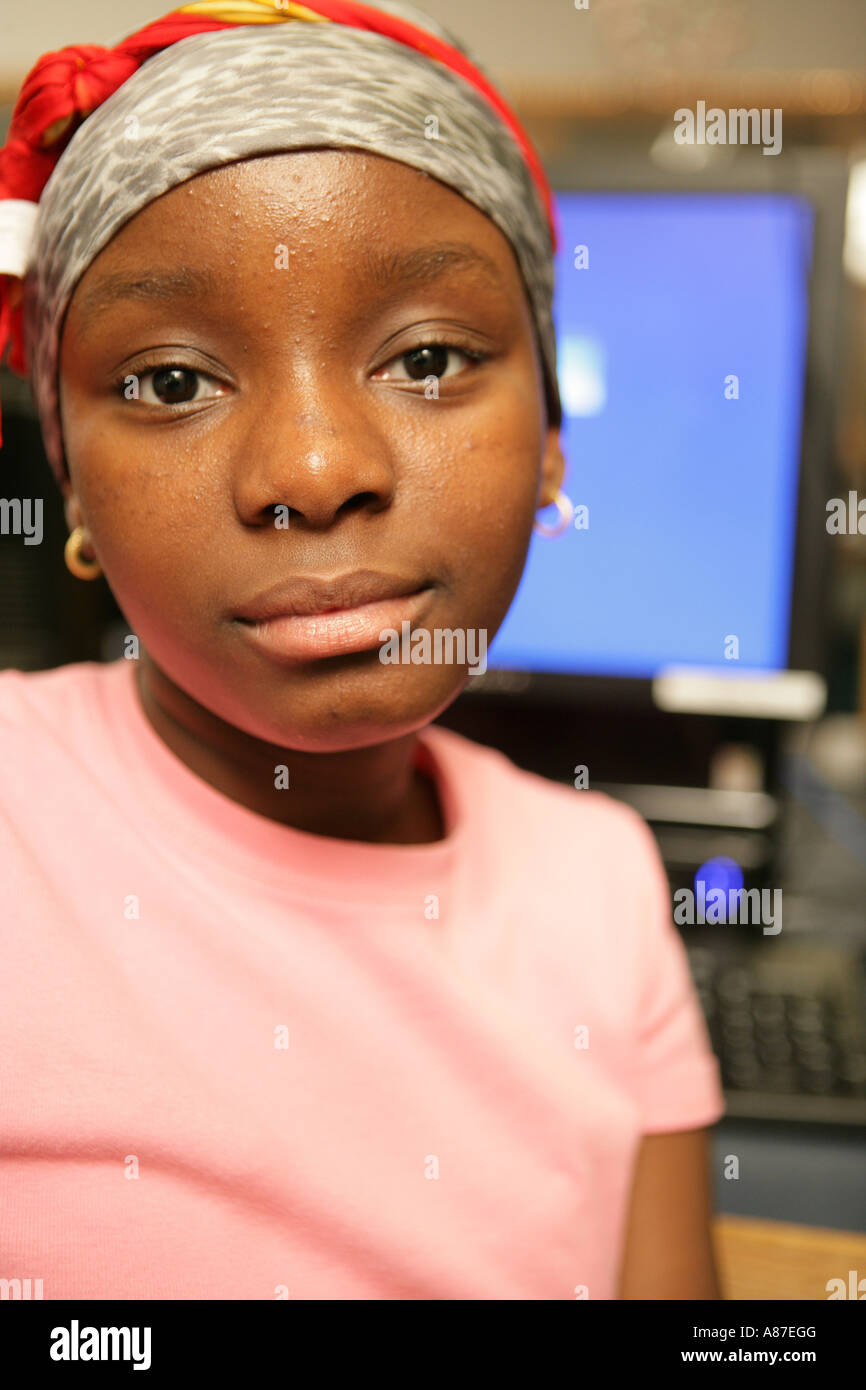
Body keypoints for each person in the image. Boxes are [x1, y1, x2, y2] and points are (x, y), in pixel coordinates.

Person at [0, 0, 725, 1300]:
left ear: (552, 441)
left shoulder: (600, 886)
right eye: (172, 382)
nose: (315, 470)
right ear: (72, 484)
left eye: (429, 356)